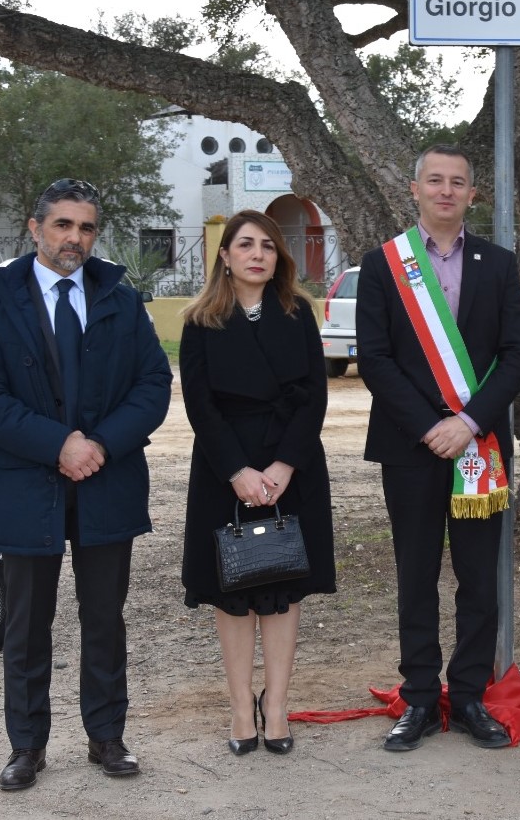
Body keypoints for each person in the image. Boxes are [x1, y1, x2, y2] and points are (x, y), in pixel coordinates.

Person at [0, 178, 173, 791]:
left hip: (108, 481)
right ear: (35, 228)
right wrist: (58, 445)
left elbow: (153, 384)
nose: (74, 239)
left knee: (105, 617)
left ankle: (107, 737)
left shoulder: (121, 301)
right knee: (27, 623)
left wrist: (99, 445)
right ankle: (26, 746)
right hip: (25, 484)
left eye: (85, 228)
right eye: (62, 226)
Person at [356, 144, 520, 752]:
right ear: (415, 189)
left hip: (478, 444)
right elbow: (375, 359)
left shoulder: (499, 264)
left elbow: (517, 355)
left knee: (480, 580)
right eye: (435, 180)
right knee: (416, 574)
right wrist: (432, 425)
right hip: (411, 448)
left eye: (458, 182)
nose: (446, 191)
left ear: (472, 194)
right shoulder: (384, 265)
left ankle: (472, 697)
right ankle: (422, 700)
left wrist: (468, 421)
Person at [178, 210, 336, 757]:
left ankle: (277, 707)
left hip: (291, 465)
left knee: (283, 588)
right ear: (224, 255)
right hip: (226, 468)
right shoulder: (200, 320)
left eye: (268, 246)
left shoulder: (297, 314)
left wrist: (284, 466)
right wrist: (237, 471)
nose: (258, 254)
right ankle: (241, 706)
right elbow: (199, 403)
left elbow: (315, 394)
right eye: (245, 245)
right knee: (234, 590)